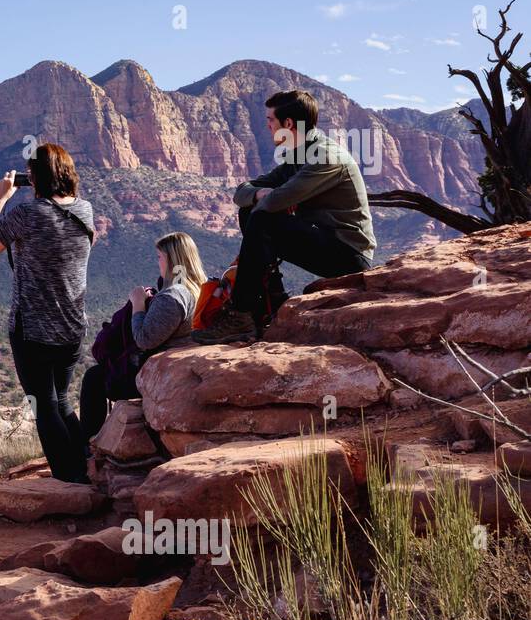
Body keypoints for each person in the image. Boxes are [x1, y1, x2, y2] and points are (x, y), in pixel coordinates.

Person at [191, 89, 376, 345]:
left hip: (349, 256)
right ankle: (270, 301)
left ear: (288, 124)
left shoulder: (324, 156)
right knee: (251, 212)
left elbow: (275, 201)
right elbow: (242, 192)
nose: (266, 126)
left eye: (270, 120)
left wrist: (264, 197)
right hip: (325, 242)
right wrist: (258, 195)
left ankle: (242, 313)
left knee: (262, 218)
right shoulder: (300, 155)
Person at [0, 143, 96, 484]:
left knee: (43, 405)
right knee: (61, 400)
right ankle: (86, 464)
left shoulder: (28, 214)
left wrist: (0, 198)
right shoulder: (85, 210)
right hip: (72, 325)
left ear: (35, 178)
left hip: (33, 329)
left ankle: (69, 478)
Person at [80, 232, 207, 441]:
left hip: (161, 376)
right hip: (182, 369)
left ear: (172, 259)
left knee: (94, 377)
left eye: (159, 257)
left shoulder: (173, 296)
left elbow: (144, 339)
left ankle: (87, 446)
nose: (158, 262)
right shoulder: (199, 288)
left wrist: (138, 303)